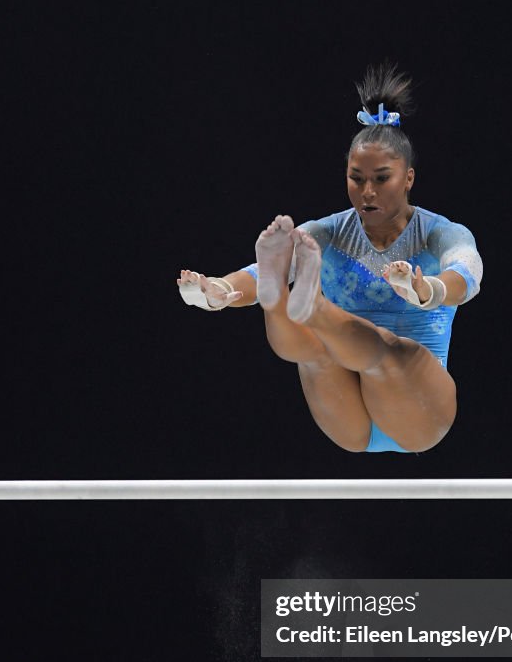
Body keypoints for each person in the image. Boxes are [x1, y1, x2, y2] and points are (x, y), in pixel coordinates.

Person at [178, 63, 483, 453]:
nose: (366, 191)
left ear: (408, 178)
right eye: (356, 178)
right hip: (346, 411)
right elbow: (257, 271)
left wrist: (428, 289)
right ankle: (287, 305)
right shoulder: (324, 233)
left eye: (381, 178)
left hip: (417, 411)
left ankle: (306, 309)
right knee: (322, 353)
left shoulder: (440, 233)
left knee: (381, 351)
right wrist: (218, 289)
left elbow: (467, 273)